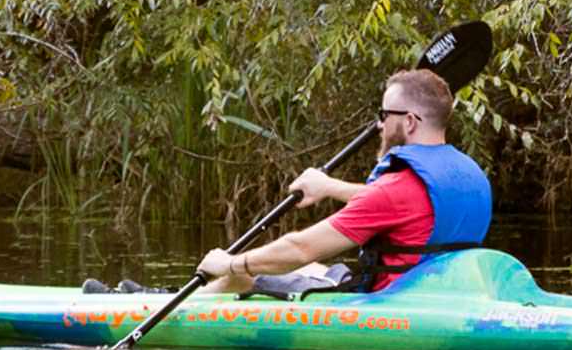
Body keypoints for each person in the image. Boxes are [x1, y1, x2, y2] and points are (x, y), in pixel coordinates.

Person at [196, 68, 491, 295]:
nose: (380, 125)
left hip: (387, 304)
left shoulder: (395, 191)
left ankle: (181, 314)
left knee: (239, 276)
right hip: (440, 295)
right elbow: (405, 206)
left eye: (385, 115)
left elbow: (301, 248)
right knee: (312, 269)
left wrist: (229, 263)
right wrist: (329, 187)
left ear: (410, 121)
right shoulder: (471, 177)